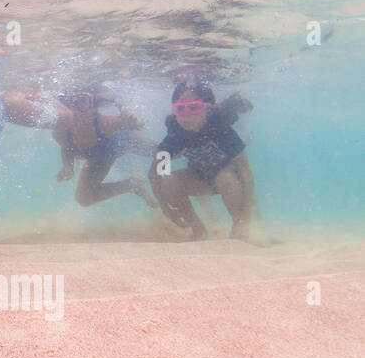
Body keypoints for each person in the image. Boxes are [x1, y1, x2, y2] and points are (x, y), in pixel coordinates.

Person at [149, 79, 255, 240]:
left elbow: (247, 176)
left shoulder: (222, 130)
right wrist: (166, 209)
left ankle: (237, 227)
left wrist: (244, 220)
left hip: (230, 181)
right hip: (199, 180)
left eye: (194, 108)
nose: (186, 115)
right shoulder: (174, 136)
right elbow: (155, 174)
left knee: (224, 177)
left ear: (208, 109)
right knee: (168, 181)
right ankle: (198, 230)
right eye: (180, 109)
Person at [50, 83, 158, 208]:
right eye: (66, 103)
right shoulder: (60, 132)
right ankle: (132, 186)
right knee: (84, 199)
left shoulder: (105, 123)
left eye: (82, 102)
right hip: (101, 158)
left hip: (123, 141)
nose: (74, 110)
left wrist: (133, 122)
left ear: (93, 109)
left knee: (167, 152)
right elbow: (66, 148)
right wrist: (68, 167)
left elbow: (136, 124)